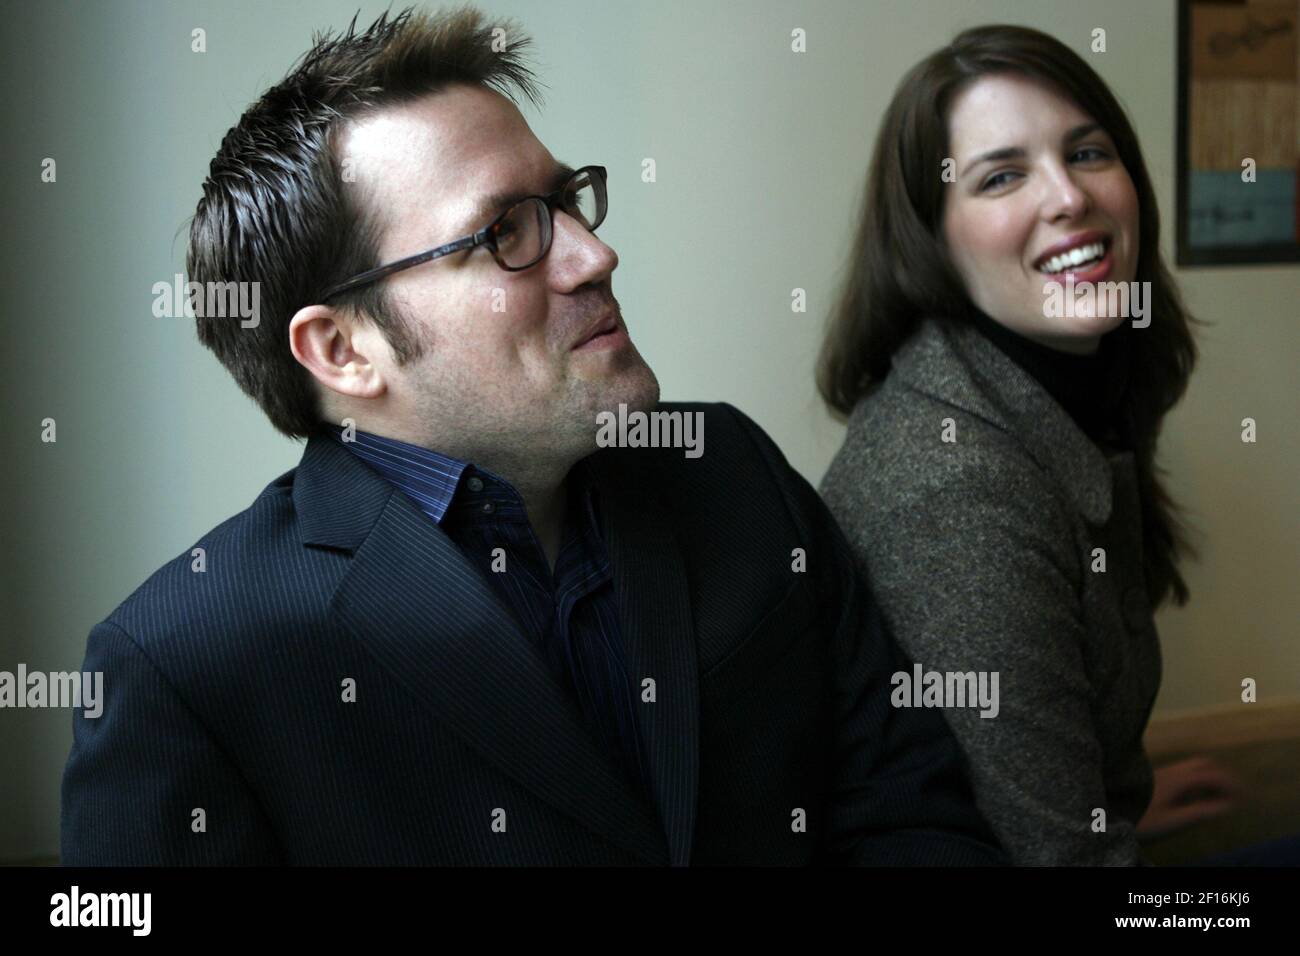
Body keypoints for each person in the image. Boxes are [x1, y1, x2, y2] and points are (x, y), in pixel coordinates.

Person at [60, 7, 1002, 866]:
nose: (595, 255)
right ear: (343, 349)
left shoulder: (728, 472)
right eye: (506, 232)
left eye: (567, 202)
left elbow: (913, 822)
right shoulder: (184, 666)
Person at [817, 24, 1236, 865]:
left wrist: (1109, 805)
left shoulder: (1067, 389)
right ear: (931, 240)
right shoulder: (955, 489)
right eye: (1002, 175)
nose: (1068, 197)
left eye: (1086, 154)